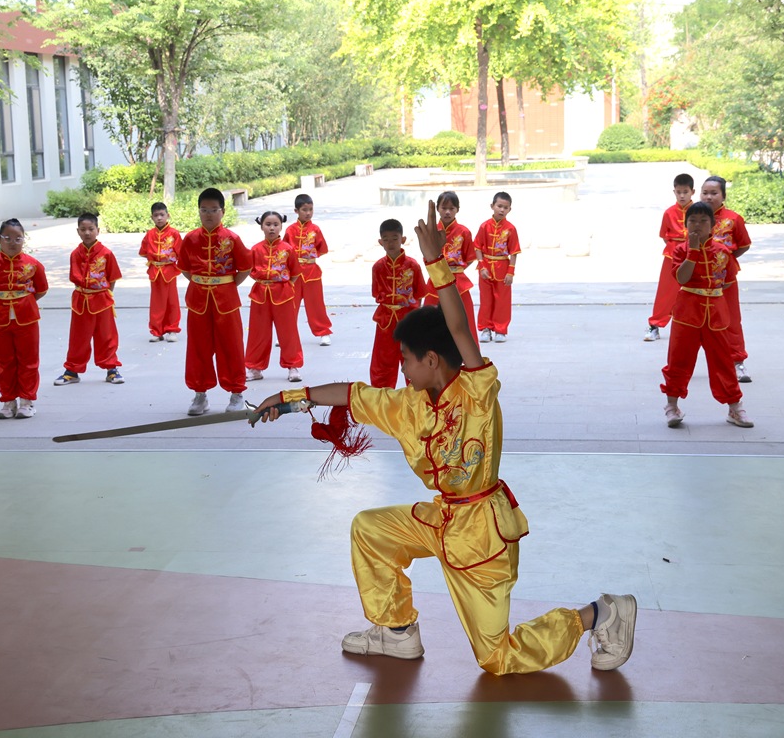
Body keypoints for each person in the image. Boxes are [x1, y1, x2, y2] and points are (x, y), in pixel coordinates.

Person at [254, 200, 638, 675]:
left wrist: (436, 264)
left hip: (482, 535)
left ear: (432, 359)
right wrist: (288, 398)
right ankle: (396, 633)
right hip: (442, 519)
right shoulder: (406, 405)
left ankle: (600, 614)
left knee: (497, 658)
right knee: (370, 528)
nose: (401, 368)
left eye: (406, 359)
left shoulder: (476, 389)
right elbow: (351, 394)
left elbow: (457, 325)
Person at [660, 201, 754, 428]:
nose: (697, 225)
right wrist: (692, 251)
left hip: (716, 315)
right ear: (685, 224)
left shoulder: (723, 252)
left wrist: (728, 316)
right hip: (687, 314)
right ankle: (672, 406)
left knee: (723, 362)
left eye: (703, 221)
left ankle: (735, 408)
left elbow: (729, 284)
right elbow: (681, 279)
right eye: (692, 221)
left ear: (712, 225)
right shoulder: (680, 250)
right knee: (678, 361)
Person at [179, 187, 253, 415]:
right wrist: (203, 282)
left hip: (226, 301)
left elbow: (246, 267)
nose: (208, 214)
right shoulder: (190, 239)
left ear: (222, 211)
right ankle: (200, 395)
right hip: (198, 301)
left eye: (213, 210)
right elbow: (184, 268)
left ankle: (236, 393)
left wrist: (227, 284)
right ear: (199, 212)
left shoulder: (231, 239)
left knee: (230, 346)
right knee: (197, 348)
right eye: (204, 210)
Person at [0, 219, 50, 419]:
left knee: (28, 360)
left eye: (18, 238)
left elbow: (41, 290)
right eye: (8, 238)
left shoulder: (33, 265)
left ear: (24, 240)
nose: (13, 242)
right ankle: (8, 401)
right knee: (4, 360)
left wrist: (22, 301)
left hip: (26, 317)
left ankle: (27, 401)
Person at [53, 213, 124, 386]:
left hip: (102, 300)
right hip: (81, 301)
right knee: (78, 337)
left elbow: (112, 278)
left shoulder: (106, 253)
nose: (87, 233)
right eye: (83, 229)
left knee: (107, 336)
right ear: (78, 231)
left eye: (91, 229)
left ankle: (111, 369)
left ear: (97, 230)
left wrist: (106, 295)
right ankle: (72, 371)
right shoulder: (75, 254)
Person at [700, 175, 752, 382]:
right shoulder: (694, 216)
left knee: (731, 320)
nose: (709, 197)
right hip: (698, 282)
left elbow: (744, 244)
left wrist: (726, 260)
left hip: (725, 282)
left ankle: (738, 362)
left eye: (714, 193)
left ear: (723, 195)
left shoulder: (734, 219)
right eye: (705, 192)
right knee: (694, 323)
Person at [245, 211, 305, 383]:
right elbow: (249, 270)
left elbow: (295, 272)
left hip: (283, 295)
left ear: (281, 226)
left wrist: (286, 285)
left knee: (288, 332)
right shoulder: (255, 249)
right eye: (268, 224)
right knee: (258, 333)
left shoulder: (288, 249)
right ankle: (254, 367)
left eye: (275, 224)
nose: (272, 228)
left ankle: (293, 366)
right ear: (261, 226)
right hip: (260, 295)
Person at [369, 218, 424, 388]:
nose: (390, 243)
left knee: (412, 357)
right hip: (385, 320)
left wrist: (415, 318)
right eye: (386, 239)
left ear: (403, 239)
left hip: (407, 318)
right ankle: (382, 396)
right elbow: (376, 293)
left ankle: (418, 395)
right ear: (380, 242)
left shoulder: (412, 265)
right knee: (383, 360)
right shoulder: (378, 267)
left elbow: (420, 292)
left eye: (394, 238)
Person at [645, 173, 695, 342]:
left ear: (692, 192)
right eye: (678, 192)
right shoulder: (669, 213)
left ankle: (696, 326)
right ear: (674, 192)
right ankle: (655, 325)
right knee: (666, 291)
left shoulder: (698, 210)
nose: (682, 195)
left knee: (696, 290)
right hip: (672, 255)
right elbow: (664, 235)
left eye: (685, 192)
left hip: (695, 253)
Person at [421, 190, 477, 330]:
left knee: (465, 320)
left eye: (451, 208)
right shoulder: (430, 231)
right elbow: (426, 256)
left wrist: (456, 270)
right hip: (435, 279)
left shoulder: (464, 232)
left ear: (457, 209)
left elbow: (470, 257)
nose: (447, 212)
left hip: (458, 281)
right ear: (437, 209)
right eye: (444, 208)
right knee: (429, 321)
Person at [285, 193, 333, 346]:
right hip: (294, 274)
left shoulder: (315, 229)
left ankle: (324, 333)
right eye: (304, 210)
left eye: (310, 209)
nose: (308, 213)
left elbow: (323, 248)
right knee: (290, 304)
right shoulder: (290, 230)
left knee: (316, 304)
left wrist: (312, 256)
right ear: (296, 211)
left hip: (312, 272)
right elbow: (284, 249)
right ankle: (285, 333)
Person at [474, 191, 521, 343]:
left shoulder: (511, 229)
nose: (502, 210)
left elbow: (514, 251)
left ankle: (500, 329)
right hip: (486, 266)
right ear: (492, 206)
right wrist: (481, 266)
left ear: (509, 210)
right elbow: (478, 247)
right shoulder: (484, 226)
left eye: (505, 207)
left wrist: (511, 272)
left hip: (503, 266)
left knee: (502, 300)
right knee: (486, 299)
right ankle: (485, 329)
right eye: (499, 206)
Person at [138, 201, 182, 343]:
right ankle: (157, 331)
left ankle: (172, 329)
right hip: (155, 271)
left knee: (172, 301)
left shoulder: (174, 234)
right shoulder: (149, 234)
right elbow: (144, 252)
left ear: (167, 215)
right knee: (156, 302)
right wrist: (155, 260)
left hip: (169, 271)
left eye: (162, 215)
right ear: (152, 217)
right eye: (156, 215)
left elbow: (181, 253)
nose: (159, 218)